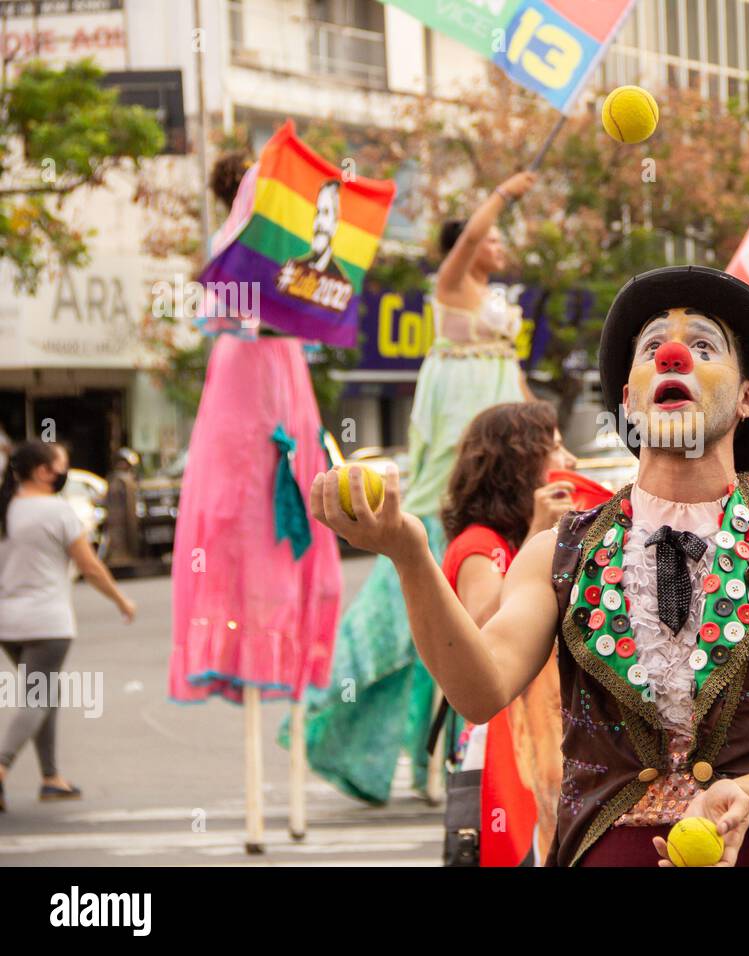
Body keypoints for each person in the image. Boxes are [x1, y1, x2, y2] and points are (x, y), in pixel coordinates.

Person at [312, 264, 749, 866]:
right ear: (629, 400)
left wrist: (745, 793)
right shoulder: (559, 551)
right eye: (652, 348)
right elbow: (479, 690)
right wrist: (409, 554)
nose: (673, 355)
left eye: (703, 346)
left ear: (748, 398)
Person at [296, 171, 541, 804]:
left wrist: (539, 428)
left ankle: (442, 755)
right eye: (490, 240)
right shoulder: (453, 283)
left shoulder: (489, 296)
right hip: (456, 431)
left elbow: (513, 374)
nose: (497, 249)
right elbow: (471, 239)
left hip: (496, 421)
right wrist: (503, 192)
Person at [169, 153, 342, 707]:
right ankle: (237, 650)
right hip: (250, 371)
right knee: (242, 506)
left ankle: (280, 647)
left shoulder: (283, 244)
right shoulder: (240, 243)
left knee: (281, 492)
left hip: (278, 367)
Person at [437, 402, 575, 864]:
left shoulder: (511, 542)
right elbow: (483, 630)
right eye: (555, 448)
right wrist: (539, 533)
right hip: (505, 745)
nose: (569, 460)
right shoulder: (481, 544)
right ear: (519, 463)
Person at [0, 441, 136, 811]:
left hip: (8, 624)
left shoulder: (6, 508)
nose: (64, 472)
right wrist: (122, 600)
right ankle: (2, 765)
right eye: (62, 466)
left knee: (45, 694)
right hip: (47, 621)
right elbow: (90, 567)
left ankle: (51, 778)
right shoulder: (57, 511)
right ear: (44, 472)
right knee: (39, 696)